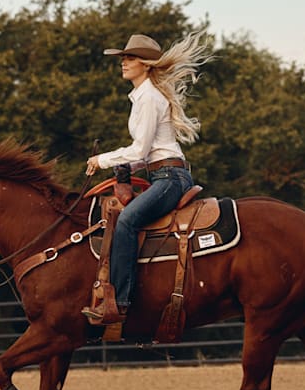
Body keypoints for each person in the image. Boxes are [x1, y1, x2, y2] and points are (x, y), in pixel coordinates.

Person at [83, 31, 212, 325]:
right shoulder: (143, 97)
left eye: (129, 58)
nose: (123, 63)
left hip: (170, 178)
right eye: (123, 58)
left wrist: (101, 160)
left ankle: (119, 302)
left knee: (127, 220)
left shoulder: (149, 98)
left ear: (145, 63)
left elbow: (140, 149)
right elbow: (145, 154)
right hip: (162, 173)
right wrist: (123, 169)